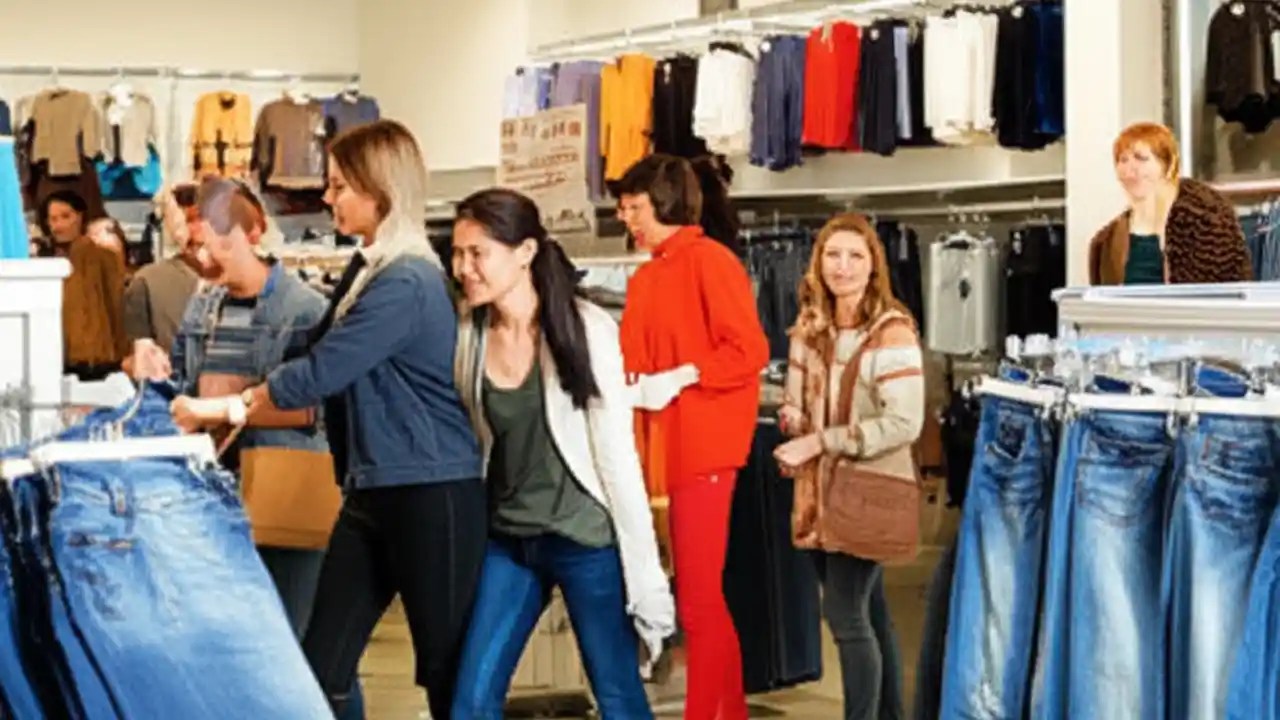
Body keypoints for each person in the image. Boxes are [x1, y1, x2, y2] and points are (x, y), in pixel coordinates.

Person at [238, 120, 487, 719]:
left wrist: (234, 403)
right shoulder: (369, 269)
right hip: (373, 488)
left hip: (431, 489)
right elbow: (314, 355)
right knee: (323, 662)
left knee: (444, 670)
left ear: (381, 189)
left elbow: (325, 369)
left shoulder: (407, 278)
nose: (329, 198)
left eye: (341, 186)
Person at [448, 188, 674, 718]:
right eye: (457, 254)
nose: (464, 268)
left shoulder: (585, 327)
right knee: (471, 700)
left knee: (618, 698)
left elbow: (617, 458)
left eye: (477, 253)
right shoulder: (467, 333)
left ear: (524, 252)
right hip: (509, 540)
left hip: (584, 540)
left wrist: (647, 578)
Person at [615, 153, 770, 720]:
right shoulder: (648, 273)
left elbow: (749, 351)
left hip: (700, 446)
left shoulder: (710, 261)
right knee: (699, 600)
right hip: (656, 449)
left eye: (634, 207)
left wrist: (682, 377)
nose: (627, 218)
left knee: (699, 600)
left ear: (663, 203)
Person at [773, 212, 924, 720]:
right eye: (833, 255)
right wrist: (793, 417)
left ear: (874, 265)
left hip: (866, 488)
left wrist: (820, 441)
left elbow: (904, 422)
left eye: (855, 256)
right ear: (818, 262)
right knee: (868, 610)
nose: (843, 266)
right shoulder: (809, 328)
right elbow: (796, 400)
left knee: (844, 613)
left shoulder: (891, 332)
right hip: (818, 492)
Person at [1089, 121, 1251, 285]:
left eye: (1141, 158)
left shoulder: (1206, 223)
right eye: (1123, 160)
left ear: (1167, 165)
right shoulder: (1107, 243)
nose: (1130, 169)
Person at [37, 190, 129, 380]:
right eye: (52, 219)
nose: (58, 225)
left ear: (79, 217)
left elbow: (117, 302)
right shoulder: (45, 262)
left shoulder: (102, 256)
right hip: (60, 359)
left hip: (98, 359)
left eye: (65, 217)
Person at [123, 182, 203, 353]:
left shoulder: (253, 280)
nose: (190, 230)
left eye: (197, 219)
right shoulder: (147, 282)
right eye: (186, 221)